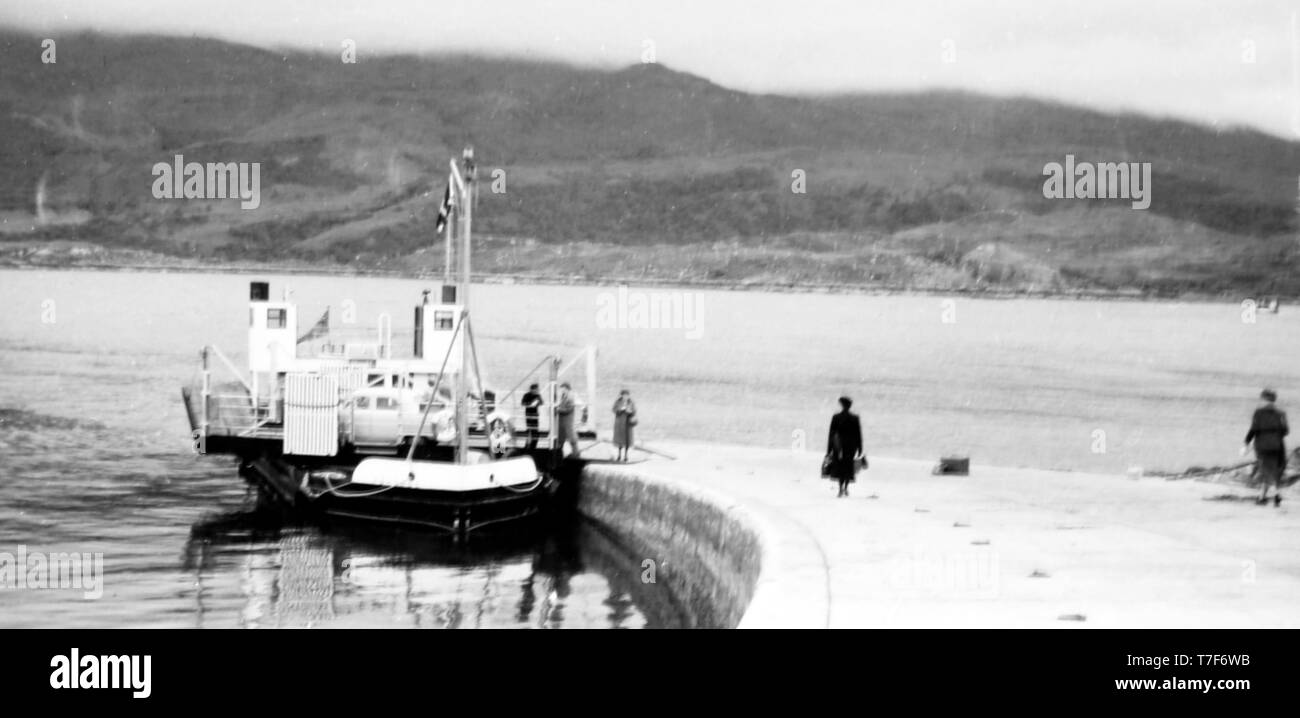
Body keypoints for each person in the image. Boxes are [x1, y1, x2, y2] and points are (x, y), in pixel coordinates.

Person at [1244, 388, 1289, 506]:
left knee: (1265, 470)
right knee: (1273, 470)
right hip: (1277, 445)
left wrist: (1246, 442)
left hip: (1262, 446)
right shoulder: (1281, 413)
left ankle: (1276, 494)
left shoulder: (1258, 412)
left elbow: (1253, 429)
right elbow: (1285, 431)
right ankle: (1262, 498)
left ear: (1263, 399)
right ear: (1274, 400)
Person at [826, 396, 864, 498]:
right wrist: (860, 448)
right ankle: (846, 488)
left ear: (842, 405)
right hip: (851, 446)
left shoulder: (836, 417)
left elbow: (831, 434)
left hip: (838, 445)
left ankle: (840, 489)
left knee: (840, 467)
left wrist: (829, 449)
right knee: (848, 467)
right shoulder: (855, 418)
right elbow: (858, 434)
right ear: (849, 406)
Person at [556, 382, 580, 458]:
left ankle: (576, 453)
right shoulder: (564, 396)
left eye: (562, 389)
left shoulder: (570, 397)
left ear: (566, 388)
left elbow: (569, 409)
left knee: (571, 437)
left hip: (568, 420)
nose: (561, 390)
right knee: (561, 437)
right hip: (563, 421)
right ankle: (559, 453)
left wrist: (558, 410)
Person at [612, 389, 637, 462]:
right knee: (620, 440)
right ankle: (619, 455)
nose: (626, 397)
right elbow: (614, 410)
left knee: (627, 440)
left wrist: (630, 411)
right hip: (619, 423)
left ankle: (626, 456)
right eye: (624, 395)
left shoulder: (631, 402)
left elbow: (634, 411)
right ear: (621, 395)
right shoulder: (618, 402)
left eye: (627, 395)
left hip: (628, 423)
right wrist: (621, 410)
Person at [521, 383, 543, 450]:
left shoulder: (538, 395)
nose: (537, 390)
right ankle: (527, 445)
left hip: (535, 415)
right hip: (528, 414)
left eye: (537, 389)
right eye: (536, 389)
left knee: (535, 431)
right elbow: (523, 403)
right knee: (529, 430)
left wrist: (537, 402)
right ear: (532, 389)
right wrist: (531, 404)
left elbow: (542, 402)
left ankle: (534, 446)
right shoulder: (526, 395)